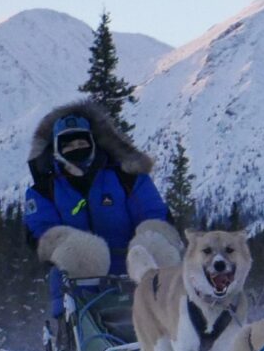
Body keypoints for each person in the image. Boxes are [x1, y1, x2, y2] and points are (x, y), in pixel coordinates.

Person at [23, 101, 178, 316]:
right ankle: (64, 341)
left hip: (132, 274)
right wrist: (71, 250)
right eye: (68, 145)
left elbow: (153, 215)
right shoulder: (44, 191)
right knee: (80, 329)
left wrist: (152, 245)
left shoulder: (127, 177)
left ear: (93, 142)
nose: (76, 148)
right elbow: (41, 231)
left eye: (81, 142)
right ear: (56, 150)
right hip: (76, 282)